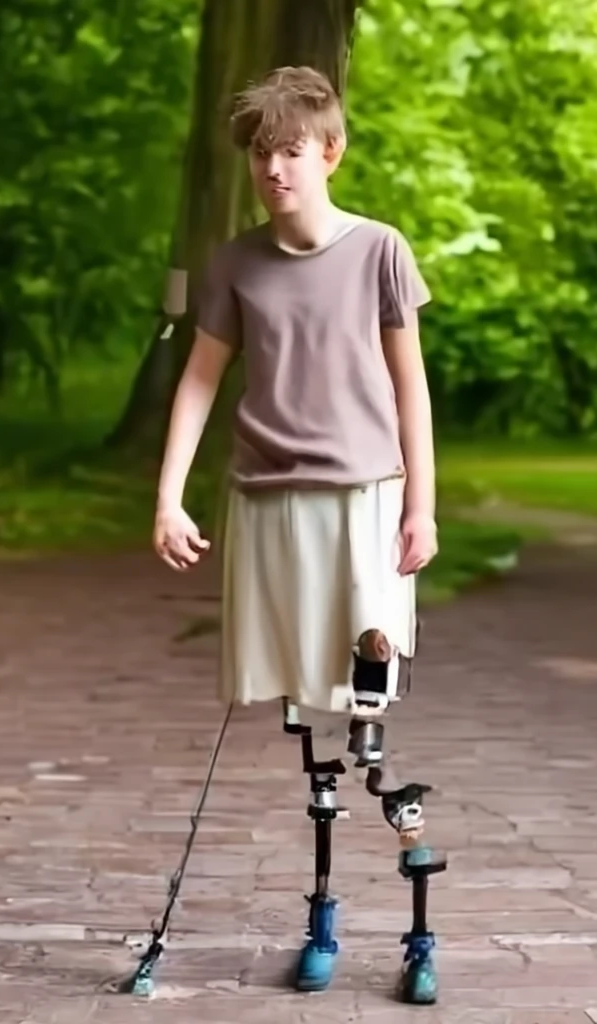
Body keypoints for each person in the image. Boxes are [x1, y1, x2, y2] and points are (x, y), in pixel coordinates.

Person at [151, 65, 442, 1003]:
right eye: (259, 153)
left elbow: (410, 387)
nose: (272, 168)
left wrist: (421, 504)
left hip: (365, 495)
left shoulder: (380, 251)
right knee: (300, 714)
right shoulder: (234, 262)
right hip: (268, 501)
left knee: (367, 687)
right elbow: (198, 381)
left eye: (289, 150)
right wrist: (169, 497)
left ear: (328, 153)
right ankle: (320, 917)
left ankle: (416, 917)